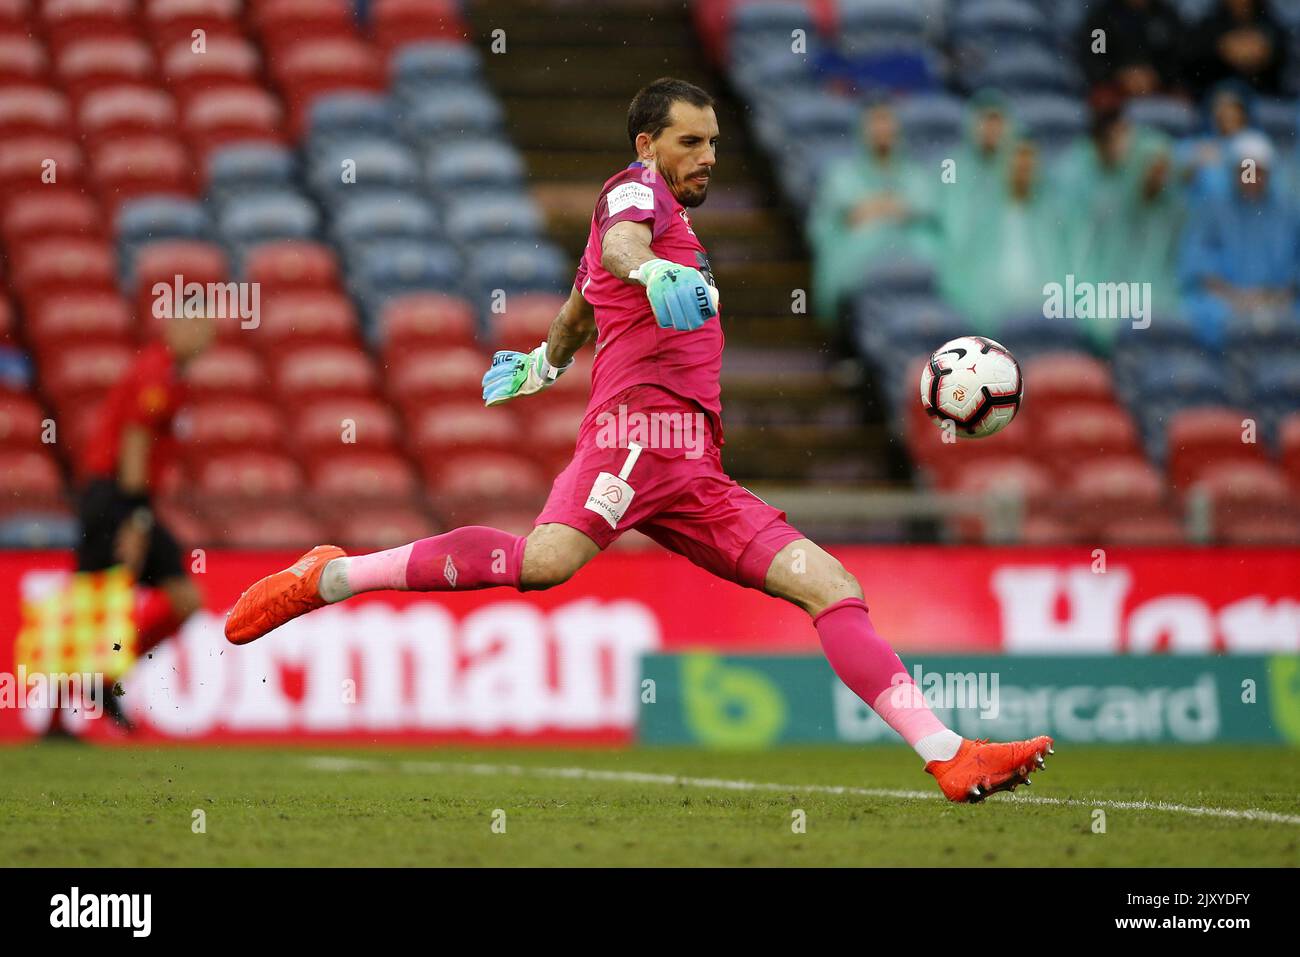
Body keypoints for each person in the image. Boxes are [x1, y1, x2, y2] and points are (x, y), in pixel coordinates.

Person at [224, 77, 1053, 804]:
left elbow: (587, 294)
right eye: (691, 141)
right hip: (635, 438)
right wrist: (653, 270)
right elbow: (621, 248)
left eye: (716, 143)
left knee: (831, 585)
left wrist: (546, 361)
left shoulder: (663, 225)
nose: (708, 157)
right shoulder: (636, 195)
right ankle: (330, 575)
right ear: (647, 144)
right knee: (544, 564)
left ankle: (948, 754)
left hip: (692, 466)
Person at [73, 311, 214, 726]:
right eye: (195, 325)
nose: (203, 336)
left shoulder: (175, 377)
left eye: (209, 329)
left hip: (133, 499)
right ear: (174, 328)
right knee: (97, 603)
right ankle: (59, 718)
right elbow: (135, 441)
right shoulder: (156, 372)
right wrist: (136, 515)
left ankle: (108, 674)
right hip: (116, 496)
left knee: (184, 599)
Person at [806, 96, 938, 327]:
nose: (882, 131)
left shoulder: (915, 174)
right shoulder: (842, 173)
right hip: (859, 266)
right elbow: (838, 219)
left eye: (887, 123)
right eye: (875, 124)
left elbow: (923, 210)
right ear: (863, 131)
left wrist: (876, 209)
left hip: (912, 262)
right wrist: (892, 208)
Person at [1178, 130, 1300, 349]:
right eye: (1246, 169)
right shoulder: (1214, 207)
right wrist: (1235, 298)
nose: (1252, 176)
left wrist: (1275, 298)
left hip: (1280, 302)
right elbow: (1198, 261)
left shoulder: (1287, 211)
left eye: (1258, 170)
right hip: (1223, 302)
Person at [938, 137, 1066, 333]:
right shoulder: (982, 216)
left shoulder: (1051, 218)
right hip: (994, 319)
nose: (1023, 174)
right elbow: (964, 273)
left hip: (1042, 318)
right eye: (1019, 168)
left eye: (1028, 168)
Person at [1078, 0, 1186, 99]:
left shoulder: (1166, 16)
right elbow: (1094, 58)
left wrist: (1157, 75)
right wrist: (1120, 75)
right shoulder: (1102, 16)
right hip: (1115, 90)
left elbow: (1179, 57)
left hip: (1160, 89)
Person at [1187, 0, 1289, 96]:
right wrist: (1222, 47)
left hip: (1265, 94)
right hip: (1216, 92)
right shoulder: (1211, 20)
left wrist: (1267, 49)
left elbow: (1282, 53)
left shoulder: (1269, 19)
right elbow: (1193, 58)